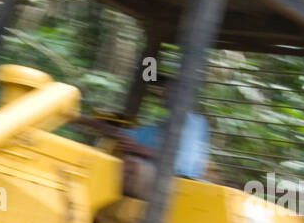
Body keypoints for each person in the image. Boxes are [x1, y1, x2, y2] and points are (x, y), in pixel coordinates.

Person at [80, 72, 210, 199]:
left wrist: (141, 150)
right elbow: (124, 136)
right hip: (161, 182)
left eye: (171, 90)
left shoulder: (193, 124)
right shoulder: (161, 128)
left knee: (130, 166)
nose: (165, 93)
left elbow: (180, 165)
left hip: (177, 185)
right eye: (165, 89)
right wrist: (92, 122)